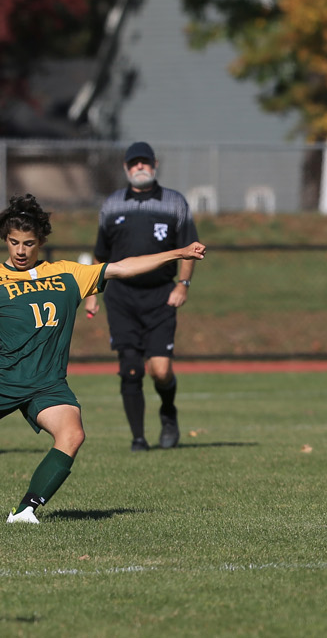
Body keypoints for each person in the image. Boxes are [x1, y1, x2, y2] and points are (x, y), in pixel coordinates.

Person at [0, 194, 205, 524]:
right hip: (2, 381)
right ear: (6, 240)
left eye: (29, 243)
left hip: (47, 384)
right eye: (14, 242)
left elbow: (122, 267)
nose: (21, 250)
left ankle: (25, 511)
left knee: (73, 435)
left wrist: (179, 252)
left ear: (41, 242)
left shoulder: (68, 274)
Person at [83, 141, 200, 452]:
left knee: (160, 370)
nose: (139, 167)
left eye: (144, 162)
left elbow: (190, 248)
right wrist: (93, 295)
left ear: (154, 164)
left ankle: (168, 412)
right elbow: (100, 255)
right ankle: (138, 439)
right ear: (125, 168)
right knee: (130, 368)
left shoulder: (174, 202)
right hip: (121, 297)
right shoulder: (112, 204)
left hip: (161, 295)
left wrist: (182, 285)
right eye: (134, 163)